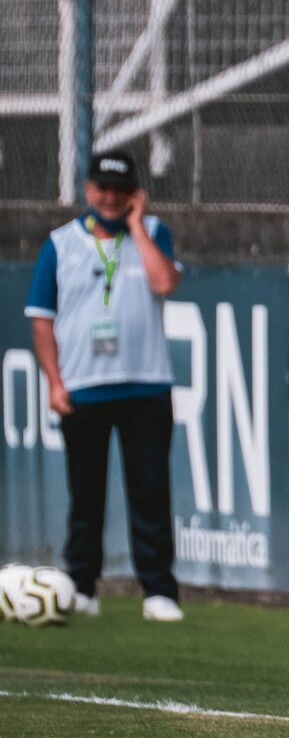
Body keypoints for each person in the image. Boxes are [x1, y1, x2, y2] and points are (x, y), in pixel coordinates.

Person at [24, 149, 185, 622]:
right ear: (89, 190)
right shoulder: (60, 244)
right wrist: (54, 383)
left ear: (133, 193)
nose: (111, 198)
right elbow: (41, 320)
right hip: (83, 387)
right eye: (103, 189)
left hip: (145, 386)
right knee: (85, 493)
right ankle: (81, 585)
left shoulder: (154, 234)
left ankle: (158, 590)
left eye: (120, 190)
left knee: (150, 491)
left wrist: (137, 225)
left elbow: (164, 283)